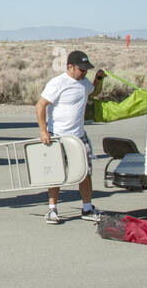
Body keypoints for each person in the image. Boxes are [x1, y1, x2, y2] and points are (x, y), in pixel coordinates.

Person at [36, 50, 105, 224]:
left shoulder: (84, 82)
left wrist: (98, 79)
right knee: (56, 174)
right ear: (70, 67)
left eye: (86, 69)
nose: (84, 72)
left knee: (85, 173)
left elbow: (93, 92)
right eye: (81, 69)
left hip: (79, 137)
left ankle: (87, 208)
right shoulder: (58, 83)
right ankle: (52, 210)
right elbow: (41, 105)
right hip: (58, 136)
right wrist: (44, 131)